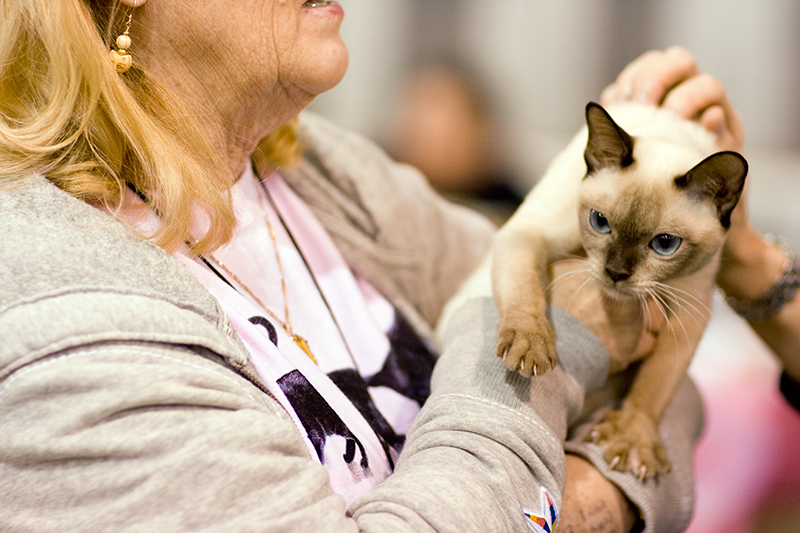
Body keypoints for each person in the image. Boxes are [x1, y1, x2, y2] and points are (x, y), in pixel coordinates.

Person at [0, 1, 733, 531]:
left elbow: (663, 375)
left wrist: (576, 496)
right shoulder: (55, 309)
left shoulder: (327, 171)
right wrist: (559, 390)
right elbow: (600, 348)